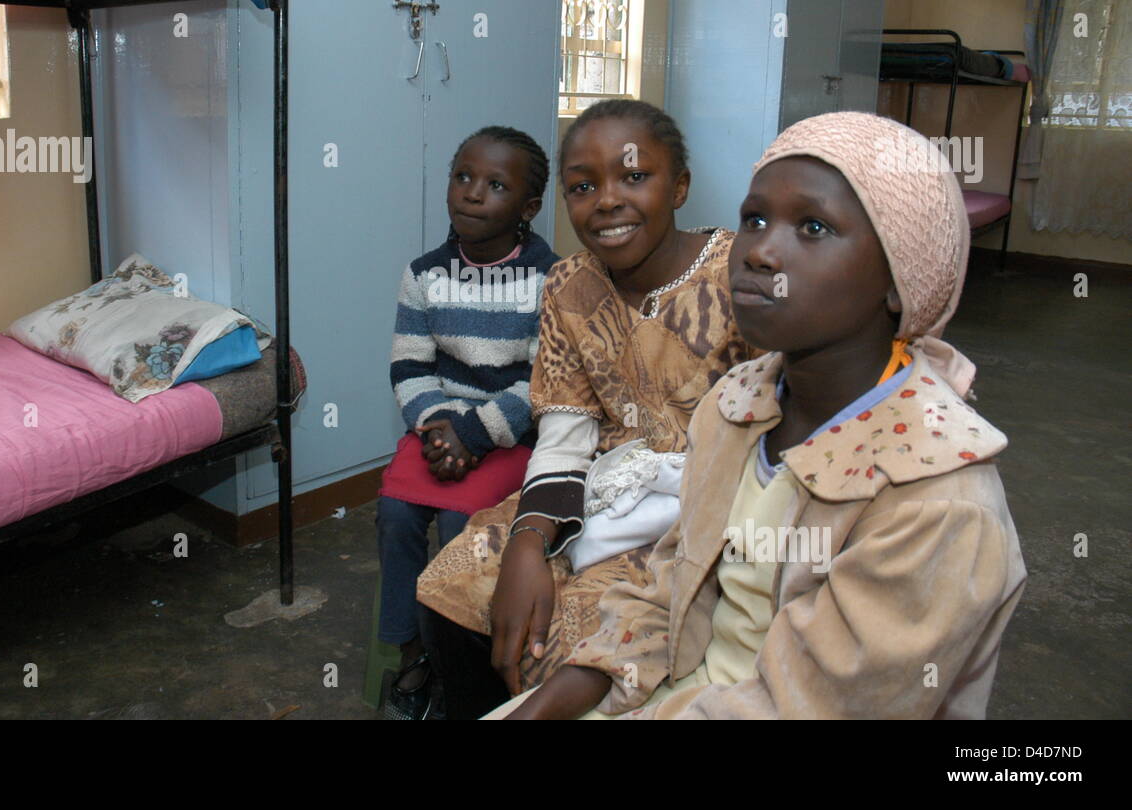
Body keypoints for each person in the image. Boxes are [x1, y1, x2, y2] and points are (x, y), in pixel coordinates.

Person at [504, 111, 1027, 719]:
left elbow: (803, 706)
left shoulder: (936, 504)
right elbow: (670, 590)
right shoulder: (734, 408)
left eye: (812, 227)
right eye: (755, 220)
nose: (759, 252)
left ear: (898, 278)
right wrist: (546, 707)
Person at [417, 99, 756, 718]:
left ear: (679, 185)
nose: (606, 200)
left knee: (577, 640)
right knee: (453, 580)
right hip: (596, 489)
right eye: (583, 185)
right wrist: (527, 542)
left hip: (703, 515)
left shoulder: (739, 278)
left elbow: (769, 437)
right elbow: (565, 434)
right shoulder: (569, 285)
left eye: (634, 176)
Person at [378, 125, 559, 719]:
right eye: (463, 177)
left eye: (496, 185)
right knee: (396, 513)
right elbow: (410, 362)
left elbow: (543, 382)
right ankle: (408, 649)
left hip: (508, 433)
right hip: (438, 431)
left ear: (528, 207)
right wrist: (436, 426)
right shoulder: (424, 273)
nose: (472, 194)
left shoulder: (550, 280)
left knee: (463, 521)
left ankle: (456, 654)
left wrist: (476, 434)